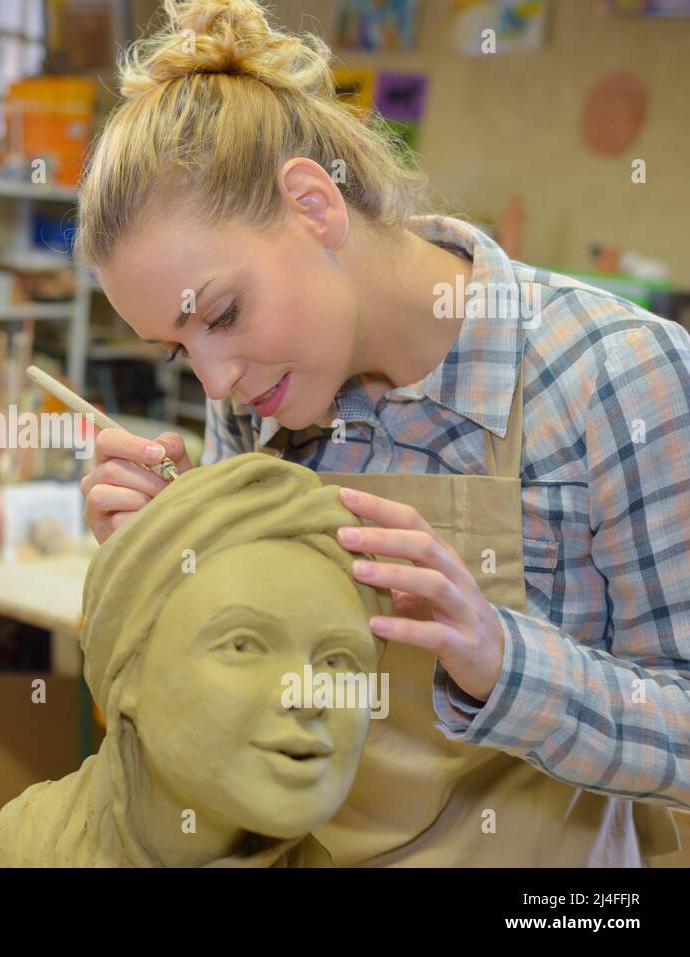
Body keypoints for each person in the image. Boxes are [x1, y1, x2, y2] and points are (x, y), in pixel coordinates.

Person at [75, 0, 689, 865]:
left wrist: (501, 660)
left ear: (313, 204)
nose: (216, 379)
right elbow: (240, 697)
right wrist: (162, 562)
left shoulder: (615, 377)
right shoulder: (260, 395)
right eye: (178, 348)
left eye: (221, 313)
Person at [0, 453, 389, 866]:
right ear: (130, 670)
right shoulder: (31, 847)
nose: (309, 694)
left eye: (336, 663)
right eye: (242, 646)